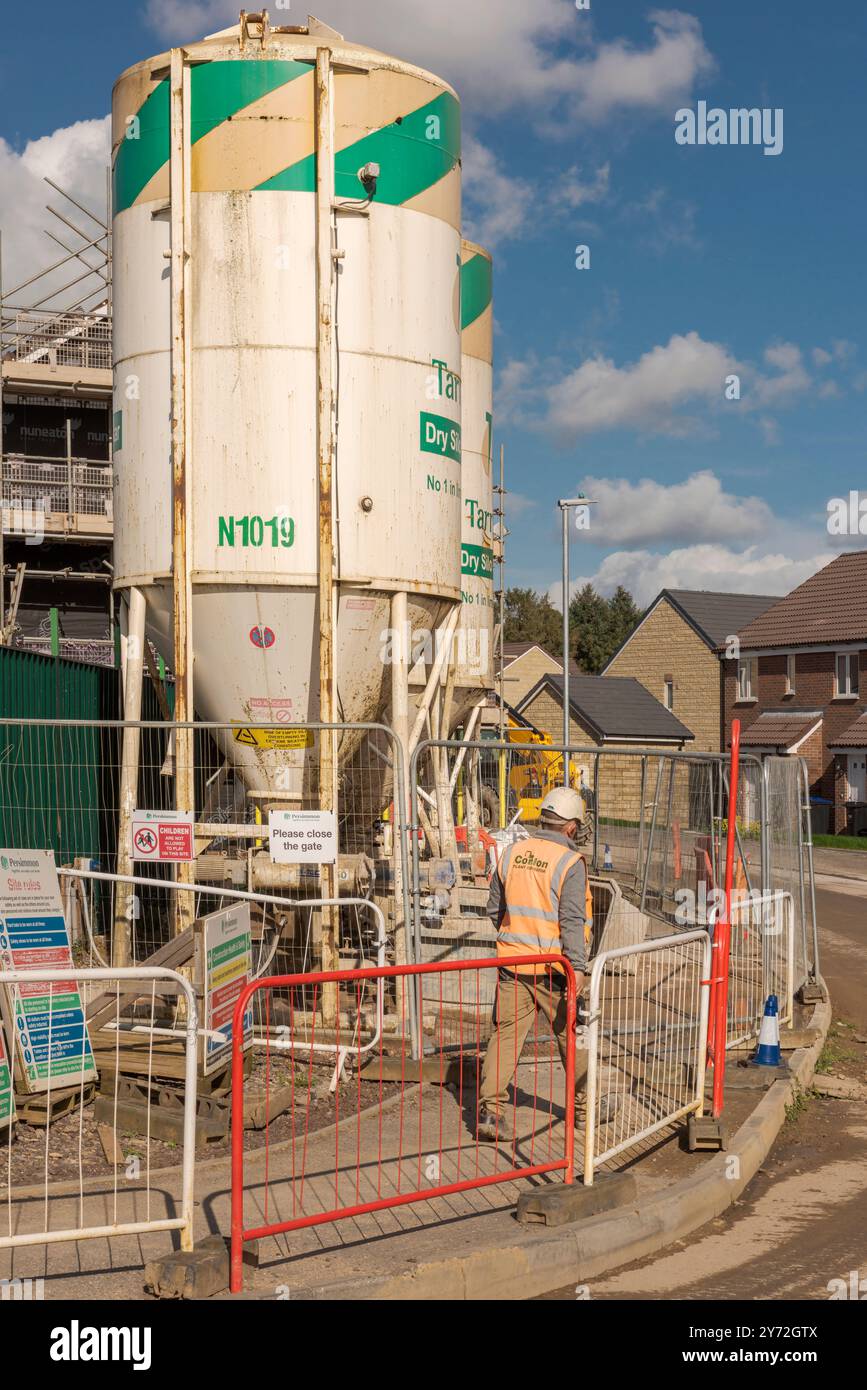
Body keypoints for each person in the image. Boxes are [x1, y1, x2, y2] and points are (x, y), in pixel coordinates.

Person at [476, 785, 614, 1141]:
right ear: (569, 827)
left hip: (513, 964)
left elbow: (495, 909)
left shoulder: (511, 853)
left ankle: (491, 1114)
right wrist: (578, 967)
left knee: (505, 1038)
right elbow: (571, 920)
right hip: (556, 970)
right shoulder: (569, 862)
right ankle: (584, 1110)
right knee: (575, 1037)